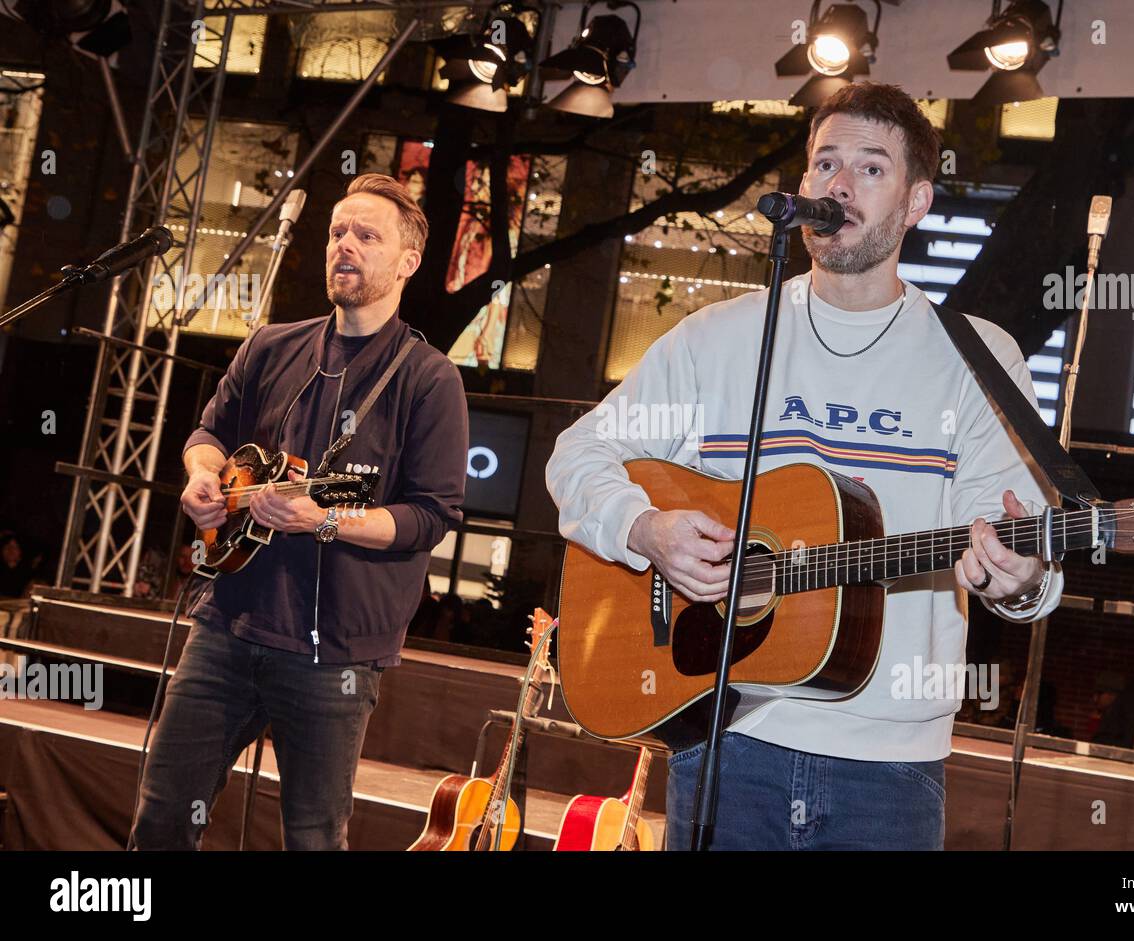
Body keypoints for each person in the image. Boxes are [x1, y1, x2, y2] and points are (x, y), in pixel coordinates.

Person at [546, 82, 1065, 851]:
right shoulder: (718, 339)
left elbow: (1023, 552)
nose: (838, 184)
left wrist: (1022, 579)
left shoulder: (977, 360)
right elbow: (577, 452)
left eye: (869, 168)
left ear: (917, 200)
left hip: (889, 769)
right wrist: (644, 528)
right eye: (824, 163)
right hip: (725, 737)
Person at [130, 173, 469, 850]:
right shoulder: (270, 346)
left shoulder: (429, 378)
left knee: (313, 838)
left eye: (366, 235)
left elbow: (431, 515)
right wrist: (203, 479)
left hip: (334, 653)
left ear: (407, 261)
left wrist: (326, 520)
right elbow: (207, 436)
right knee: (163, 818)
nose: (345, 244)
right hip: (227, 622)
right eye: (338, 231)